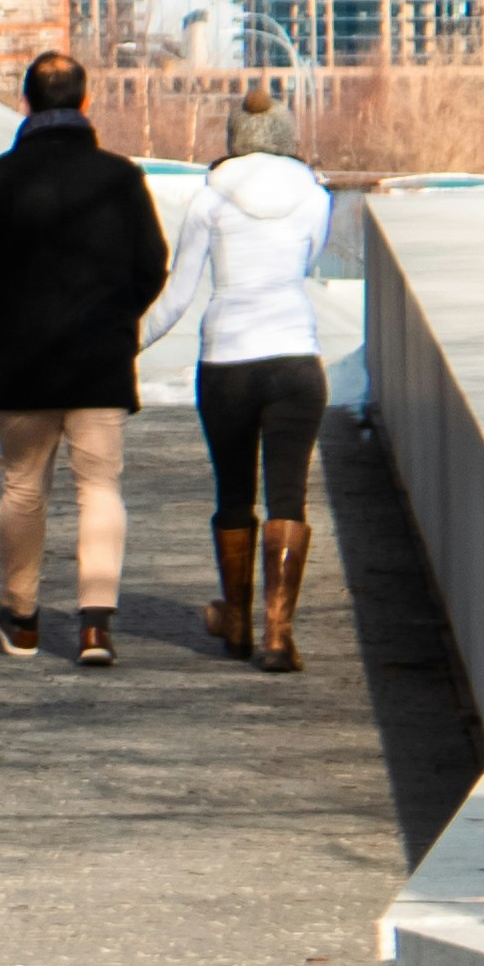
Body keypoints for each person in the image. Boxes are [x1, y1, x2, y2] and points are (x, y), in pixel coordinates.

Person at [0, 47, 170, 669]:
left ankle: (22, 618)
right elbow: (152, 266)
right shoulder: (120, 177)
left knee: (23, 489)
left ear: (25, 101)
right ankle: (96, 625)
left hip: (21, 361)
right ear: (85, 101)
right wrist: (117, 321)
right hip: (98, 359)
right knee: (99, 485)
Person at [143, 79, 334, 670]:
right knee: (288, 494)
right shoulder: (315, 198)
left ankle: (236, 622)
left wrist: (124, 346)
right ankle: (278, 633)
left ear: (234, 140)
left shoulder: (210, 201)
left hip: (226, 359)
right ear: (287, 139)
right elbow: (309, 262)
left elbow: (178, 295)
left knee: (233, 491)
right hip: (294, 358)